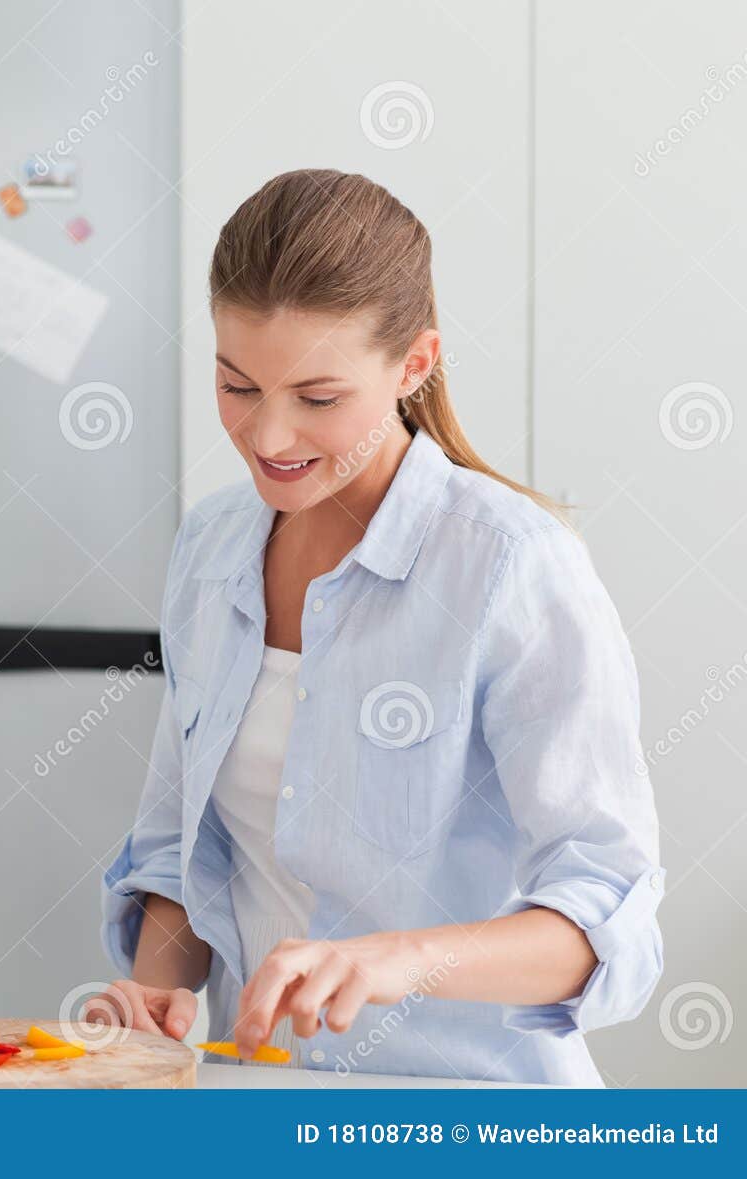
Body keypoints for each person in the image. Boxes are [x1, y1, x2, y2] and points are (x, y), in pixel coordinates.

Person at [94, 169, 662, 1084]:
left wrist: (400, 957)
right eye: (238, 385)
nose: (269, 437)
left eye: (318, 399)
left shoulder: (511, 565)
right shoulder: (211, 547)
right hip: (255, 1089)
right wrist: (159, 993)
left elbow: (610, 911)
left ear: (414, 364)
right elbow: (179, 852)